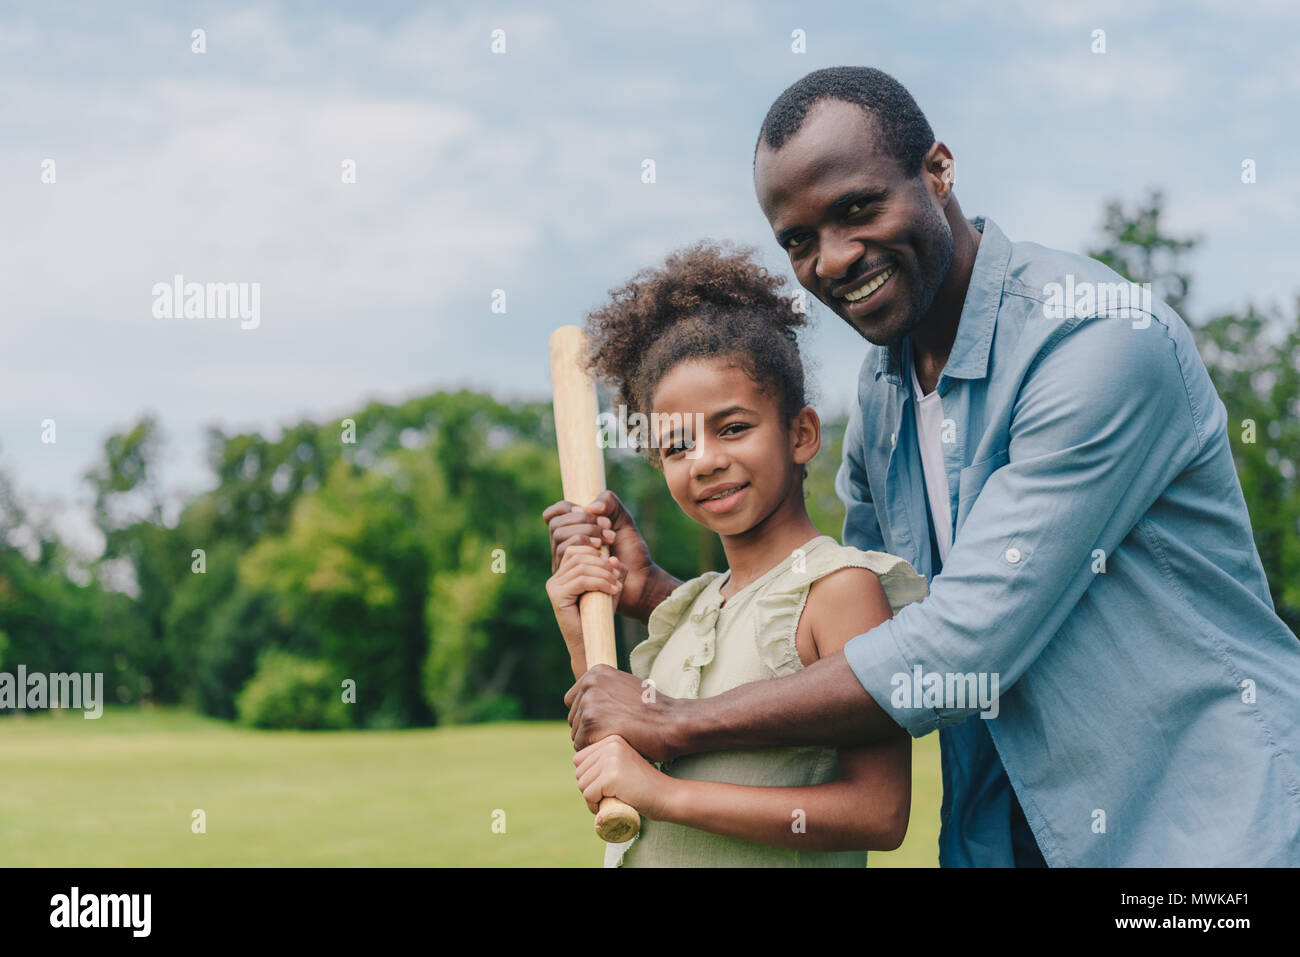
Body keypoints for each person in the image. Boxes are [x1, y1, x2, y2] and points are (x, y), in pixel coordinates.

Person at [547, 67, 1300, 866]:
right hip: (1003, 837)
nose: (832, 259)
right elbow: (861, 636)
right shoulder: (884, 393)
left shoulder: (1095, 341)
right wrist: (662, 596)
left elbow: (959, 648)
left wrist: (670, 719)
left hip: (1205, 837)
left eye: (857, 208)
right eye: (798, 240)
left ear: (938, 171)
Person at [545, 241, 928, 866]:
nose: (707, 461)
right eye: (675, 446)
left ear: (801, 434)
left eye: (733, 428)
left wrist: (667, 795)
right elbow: (622, 779)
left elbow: (878, 812)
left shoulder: (840, 590)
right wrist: (583, 633)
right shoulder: (688, 608)